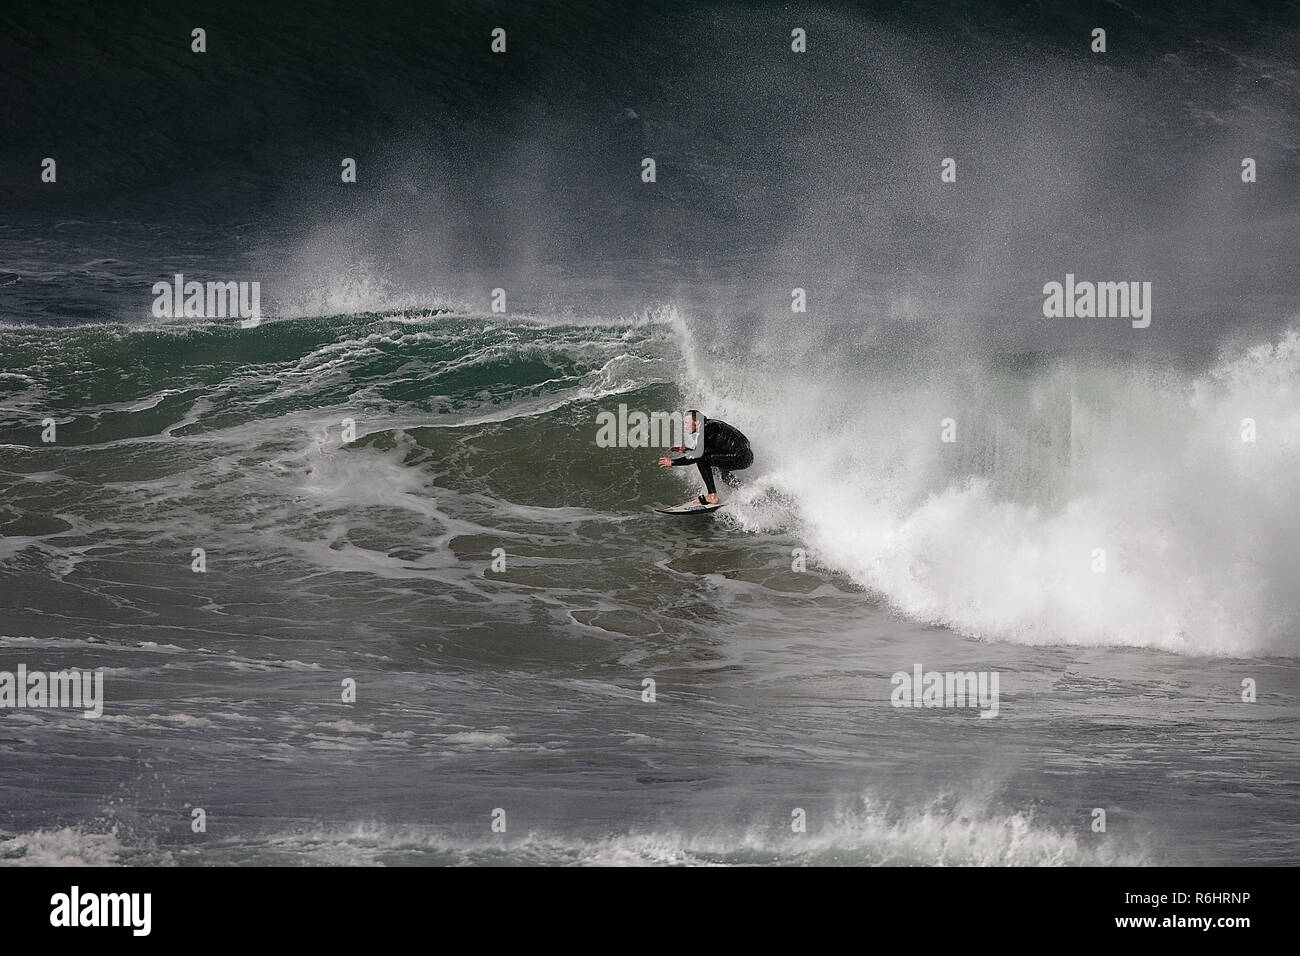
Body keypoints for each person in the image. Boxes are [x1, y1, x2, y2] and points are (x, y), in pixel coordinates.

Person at [657, 409, 753, 505]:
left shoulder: (705, 428)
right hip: (745, 457)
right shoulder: (711, 425)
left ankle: (712, 496)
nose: (685, 426)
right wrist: (685, 450)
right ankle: (742, 487)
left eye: (687, 422)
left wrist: (672, 462)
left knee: (703, 460)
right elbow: (704, 451)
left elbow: (697, 456)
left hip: (740, 457)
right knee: (717, 469)